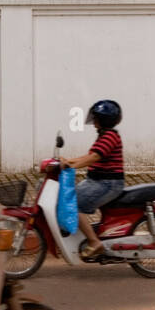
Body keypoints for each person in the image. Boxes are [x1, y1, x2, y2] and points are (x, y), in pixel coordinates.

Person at [62, 100, 125, 262]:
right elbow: (88, 156)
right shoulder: (104, 136)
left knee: (74, 206)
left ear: (104, 120)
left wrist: (70, 165)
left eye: (97, 118)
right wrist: (69, 162)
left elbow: (93, 158)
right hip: (97, 181)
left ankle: (94, 242)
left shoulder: (109, 137)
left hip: (107, 183)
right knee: (67, 198)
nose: (94, 121)